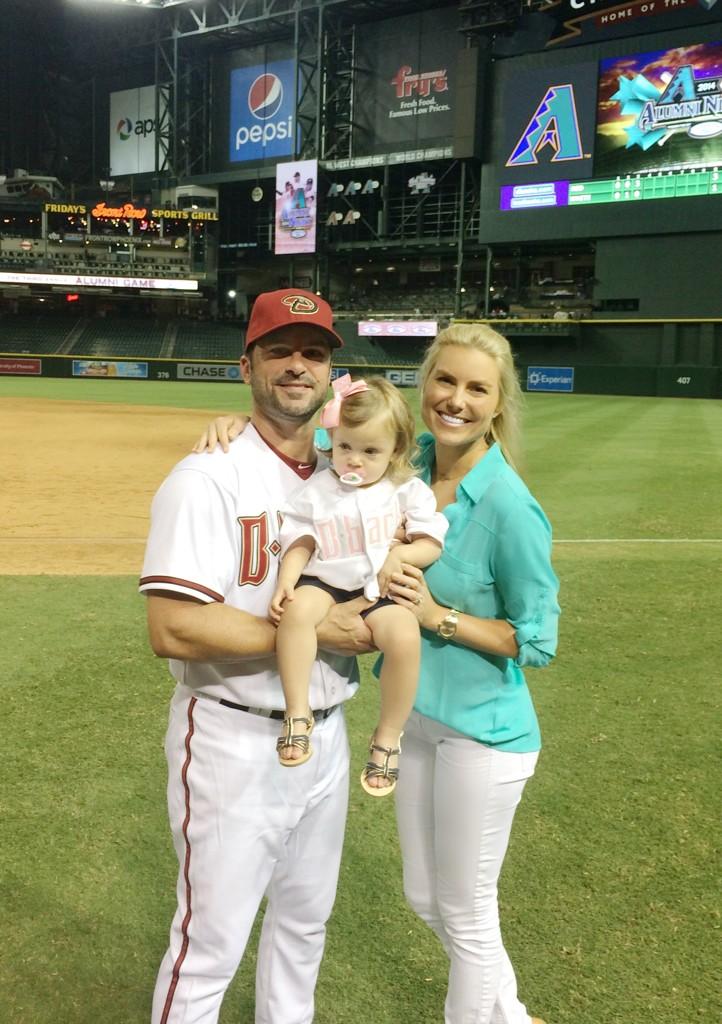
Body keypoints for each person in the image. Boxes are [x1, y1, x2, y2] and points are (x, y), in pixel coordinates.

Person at [195, 322, 559, 1024]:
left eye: (476, 388)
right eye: (445, 381)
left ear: (498, 402)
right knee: (430, 900)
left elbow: (537, 641)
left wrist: (437, 616)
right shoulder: (408, 463)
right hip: (420, 721)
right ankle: (510, 1016)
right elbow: (332, 462)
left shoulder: (510, 505)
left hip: (484, 735)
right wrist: (235, 428)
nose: (455, 399)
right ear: (423, 386)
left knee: (466, 908)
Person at [140, 287, 419, 1024]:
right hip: (235, 736)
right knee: (210, 946)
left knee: (303, 929)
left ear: (333, 377)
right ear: (247, 365)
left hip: (327, 732)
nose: (298, 365)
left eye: (315, 353)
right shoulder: (210, 474)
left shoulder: (348, 474)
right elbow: (172, 627)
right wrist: (313, 632)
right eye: (280, 350)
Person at [270, 373, 448, 795]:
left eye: (371, 451)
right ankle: (298, 713)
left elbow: (431, 542)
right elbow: (300, 539)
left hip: (377, 588)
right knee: (295, 614)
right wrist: (287, 579)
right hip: (325, 579)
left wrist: (400, 555)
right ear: (331, 438)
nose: (354, 460)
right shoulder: (319, 488)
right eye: (346, 446)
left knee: (405, 637)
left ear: (396, 450)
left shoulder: (406, 490)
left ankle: (387, 737)